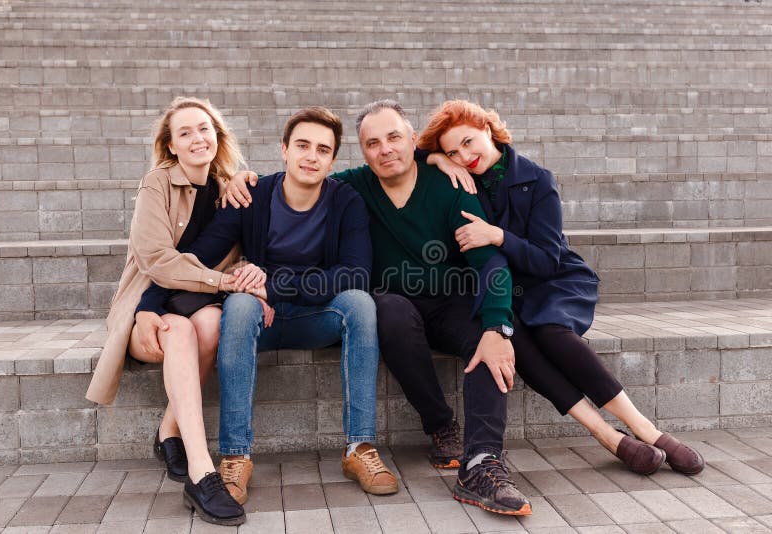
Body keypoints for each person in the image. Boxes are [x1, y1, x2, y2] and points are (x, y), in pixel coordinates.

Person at [227, 100, 533, 516]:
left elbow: (489, 261)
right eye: (372, 143)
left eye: (394, 138)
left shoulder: (450, 185)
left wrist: (499, 326)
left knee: (488, 340)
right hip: (398, 309)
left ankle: (482, 464)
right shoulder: (354, 188)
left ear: (411, 140)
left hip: (451, 302)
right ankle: (442, 426)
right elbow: (302, 176)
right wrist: (243, 180)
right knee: (382, 307)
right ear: (361, 152)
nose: (385, 149)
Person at [415, 99, 705, 477]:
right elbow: (405, 157)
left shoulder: (537, 180)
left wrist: (498, 235)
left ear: (487, 129)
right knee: (515, 341)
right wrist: (436, 160)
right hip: (507, 289)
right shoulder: (458, 178)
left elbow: (546, 259)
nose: (464, 156)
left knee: (551, 333)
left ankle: (647, 430)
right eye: (453, 150)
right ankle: (608, 437)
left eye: (468, 143)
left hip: (554, 282)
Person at [150, 106, 399, 504]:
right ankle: (236, 455)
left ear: (332, 160)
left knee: (361, 304)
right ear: (283, 149)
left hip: (314, 316)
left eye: (322, 149)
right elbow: (199, 257)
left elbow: (355, 275)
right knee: (241, 307)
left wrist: (274, 285)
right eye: (302, 145)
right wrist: (158, 300)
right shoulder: (252, 195)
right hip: (255, 321)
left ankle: (359, 449)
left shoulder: (346, 201)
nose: (311, 156)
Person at [85, 97, 262, 526]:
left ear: (217, 136)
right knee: (182, 331)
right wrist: (222, 282)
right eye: (185, 133)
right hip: (144, 302)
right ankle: (202, 472)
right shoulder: (157, 182)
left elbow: (233, 254)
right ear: (171, 146)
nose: (197, 138)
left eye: (204, 128)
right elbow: (156, 259)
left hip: (195, 301)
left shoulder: (229, 189)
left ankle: (168, 430)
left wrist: (246, 276)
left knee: (213, 322)